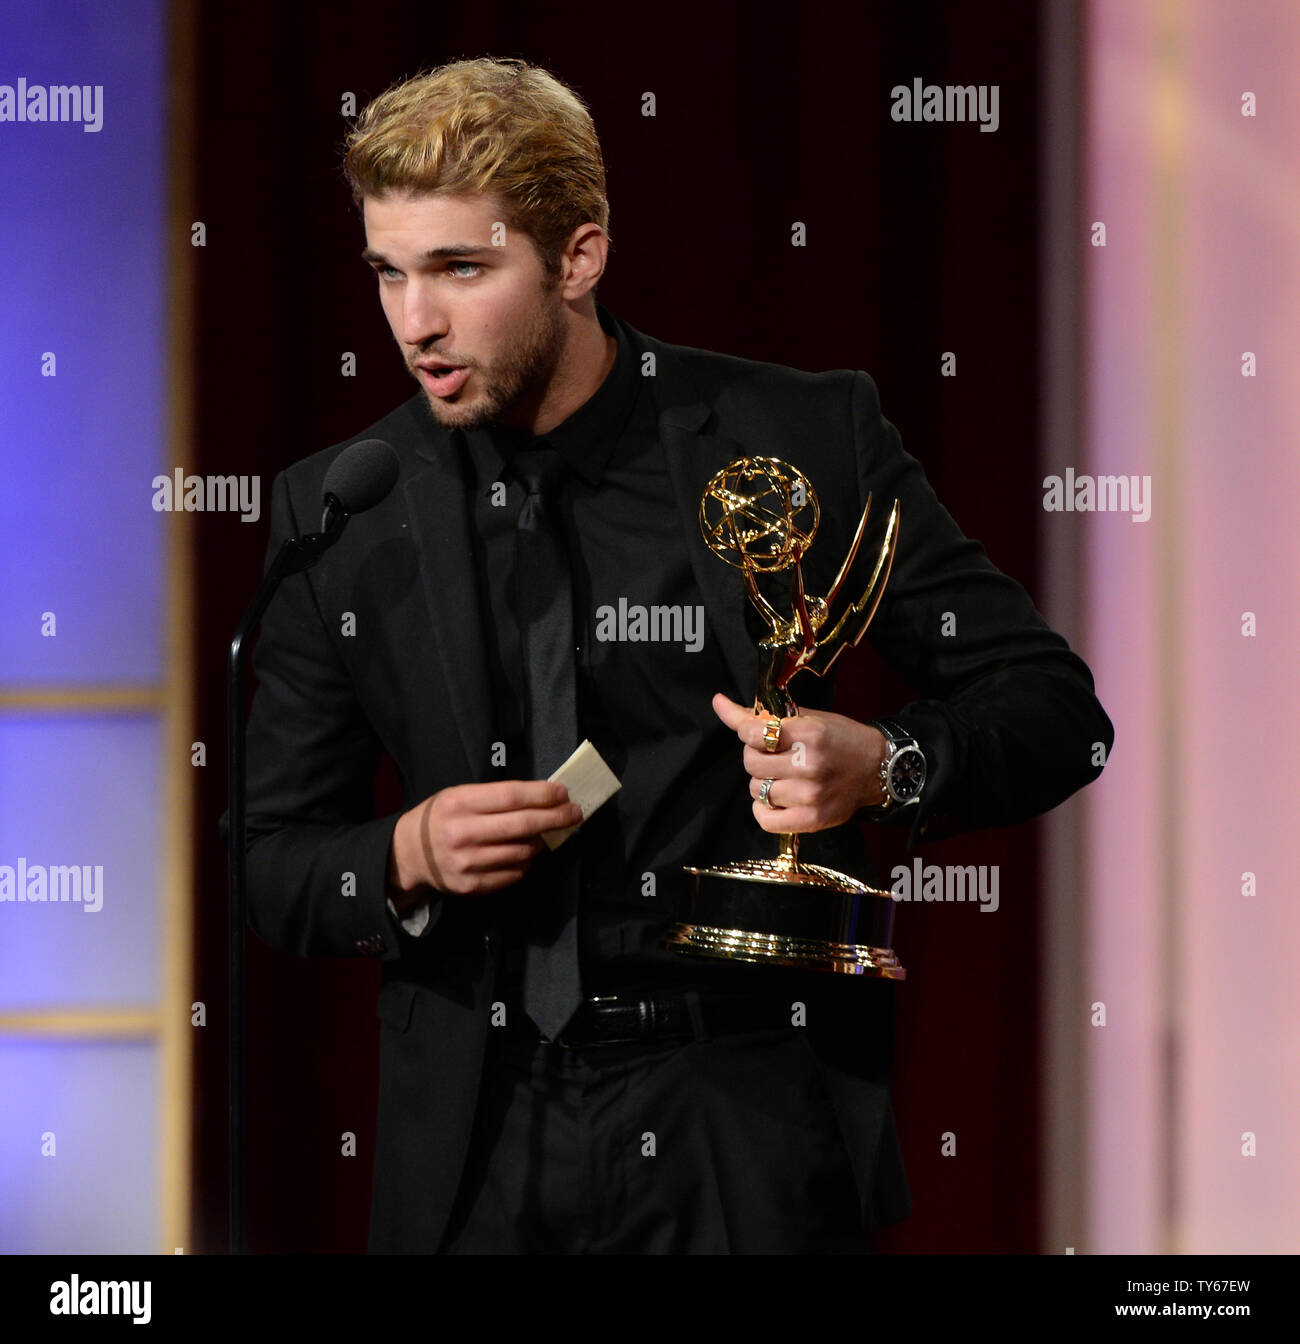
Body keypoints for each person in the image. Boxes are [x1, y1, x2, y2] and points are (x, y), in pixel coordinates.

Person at [240, 56, 1113, 1254]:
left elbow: (1057, 709)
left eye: (459, 269)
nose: (414, 322)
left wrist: (886, 766)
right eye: (388, 272)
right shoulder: (342, 510)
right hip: (478, 1146)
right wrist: (403, 850)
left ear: (579, 256)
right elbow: (274, 863)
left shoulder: (796, 437)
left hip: (742, 1115)